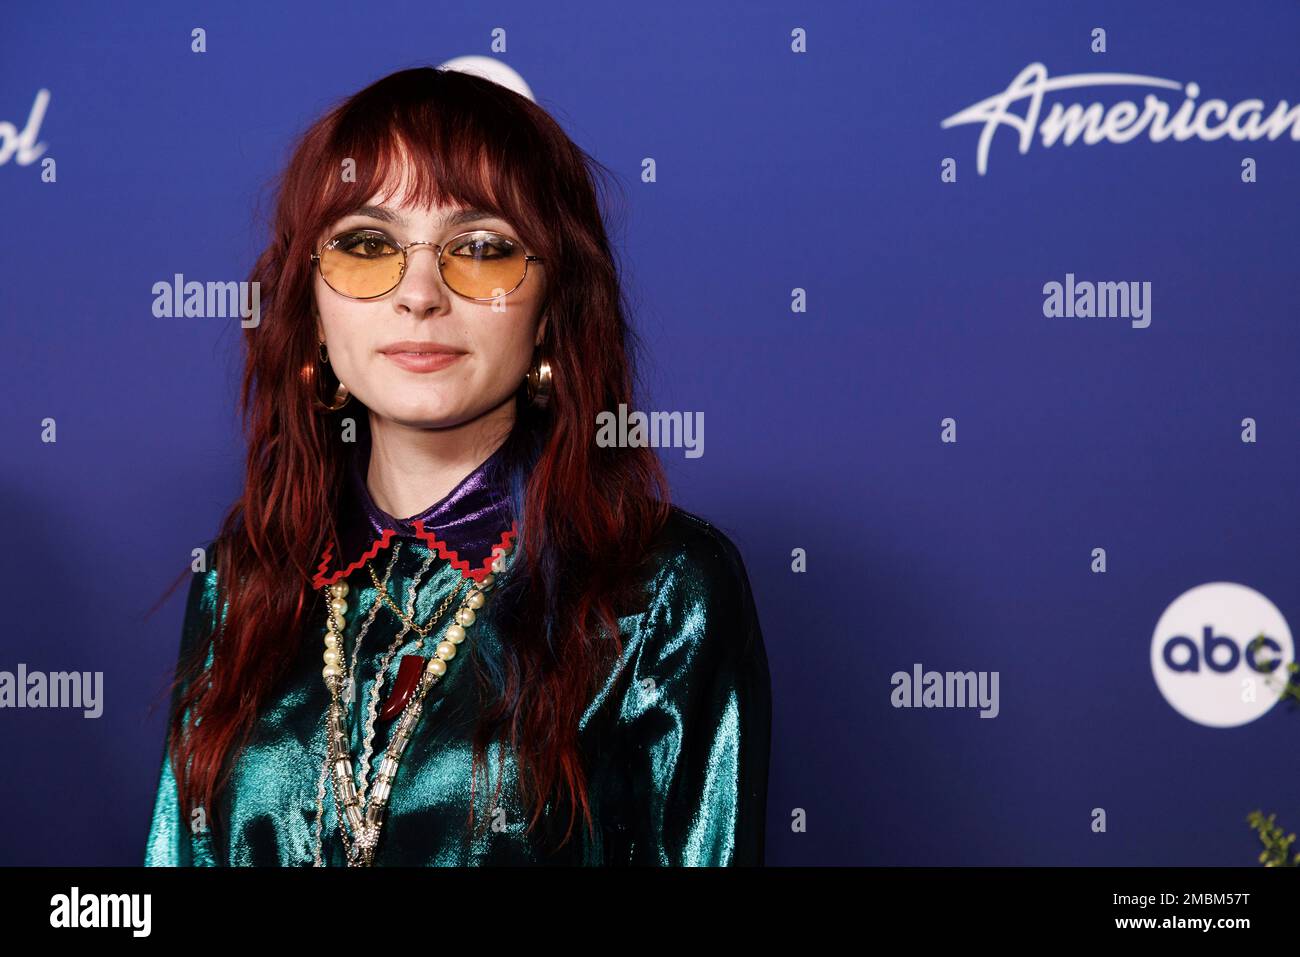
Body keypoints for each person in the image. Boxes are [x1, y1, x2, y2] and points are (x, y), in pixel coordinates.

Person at [143, 66, 771, 866]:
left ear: (553, 309)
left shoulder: (663, 589)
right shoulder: (241, 576)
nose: (419, 293)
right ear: (311, 305)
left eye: (480, 248)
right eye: (367, 245)